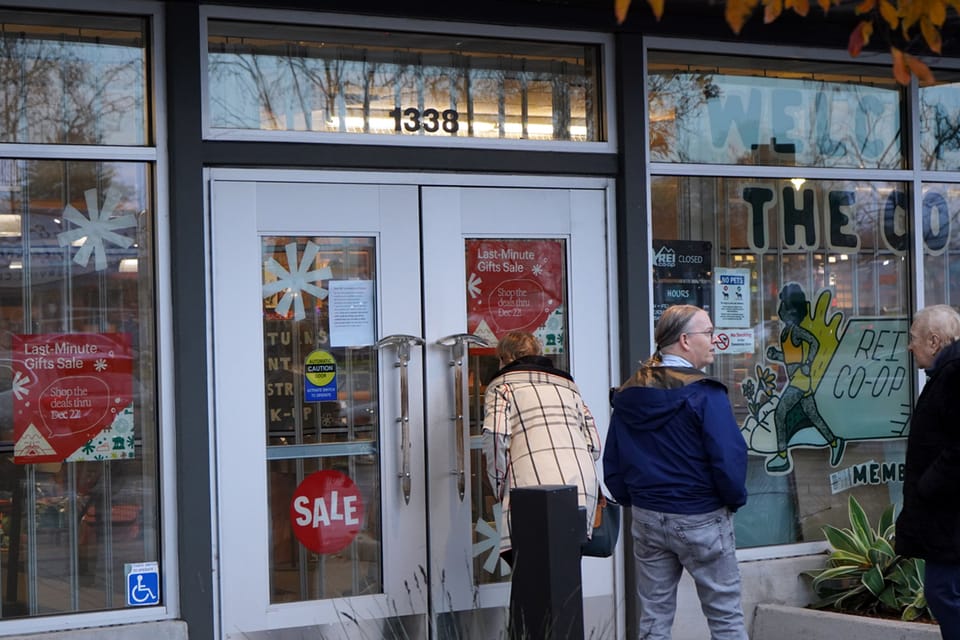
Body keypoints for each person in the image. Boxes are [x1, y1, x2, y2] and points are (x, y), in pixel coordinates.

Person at [603, 304, 748, 640]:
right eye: (708, 332)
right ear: (685, 340)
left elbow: (614, 460)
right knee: (726, 619)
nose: (714, 339)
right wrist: (733, 499)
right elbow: (729, 457)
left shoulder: (628, 393)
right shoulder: (705, 393)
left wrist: (635, 499)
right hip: (701, 516)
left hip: (647, 516)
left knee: (654, 620)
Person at [481, 330, 601, 566]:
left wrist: (498, 484)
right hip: (578, 486)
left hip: (531, 489)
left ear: (504, 358)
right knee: (565, 570)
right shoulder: (568, 388)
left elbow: (496, 436)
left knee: (530, 571)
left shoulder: (502, 388)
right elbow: (594, 446)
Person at [895, 304, 960, 640]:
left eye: (914, 338)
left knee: (942, 592)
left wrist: (929, 485)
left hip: (949, 518)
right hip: (947, 518)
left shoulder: (954, 374)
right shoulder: (946, 373)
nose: (910, 346)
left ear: (934, 341)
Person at [765, 283, 843, 473]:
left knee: (780, 413)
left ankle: (782, 456)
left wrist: (808, 363)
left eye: (784, 306)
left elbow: (814, 343)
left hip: (800, 380)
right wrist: (777, 356)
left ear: (792, 312)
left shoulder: (795, 331)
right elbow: (791, 358)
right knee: (813, 416)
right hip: (798, 379)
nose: (780, 310)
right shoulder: (786, 333)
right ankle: (835, 442)